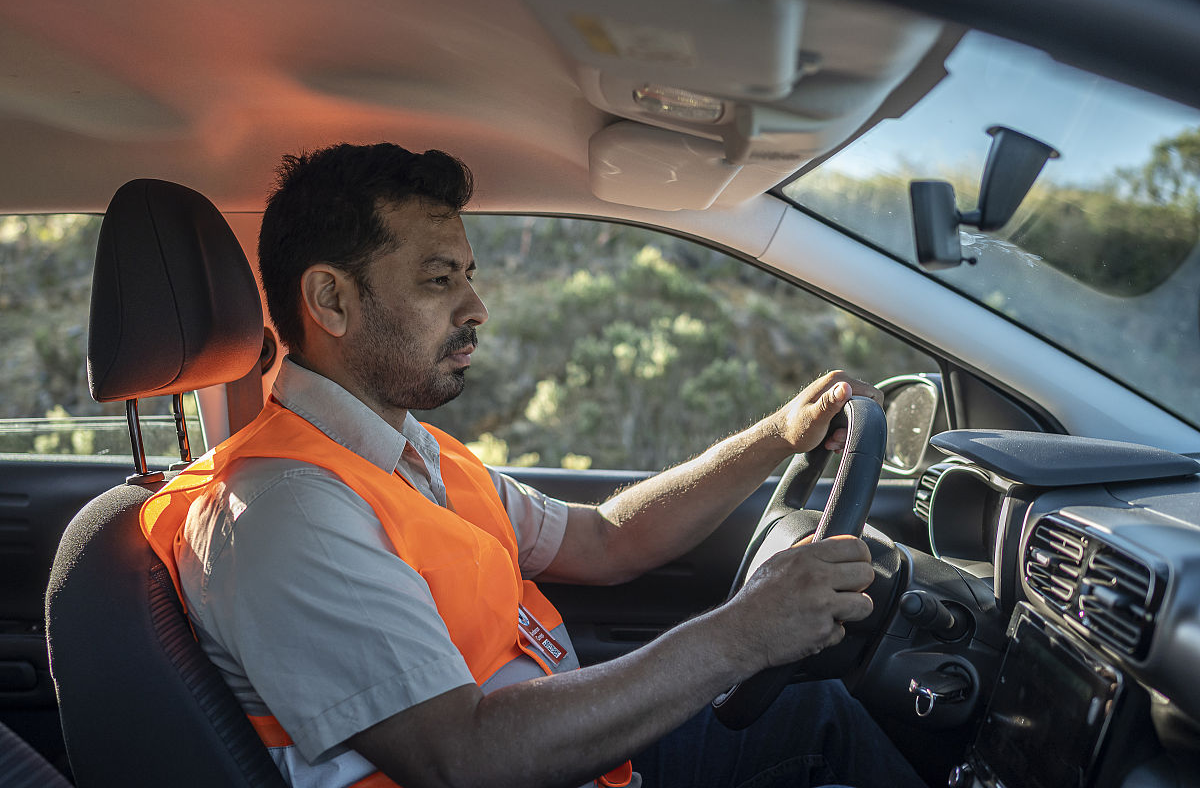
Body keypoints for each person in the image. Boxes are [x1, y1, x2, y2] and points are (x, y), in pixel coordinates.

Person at [141, 143, 926, 788]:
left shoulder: (405, 451)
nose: (476, 307)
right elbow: (463, 758)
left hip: (569, 761)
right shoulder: (286, 511)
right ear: (331, 301)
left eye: (468, 276)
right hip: (512, 765)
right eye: (439, 280)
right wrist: (744, 634)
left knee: (812, 711)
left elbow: (606, 539)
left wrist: (779, 435)